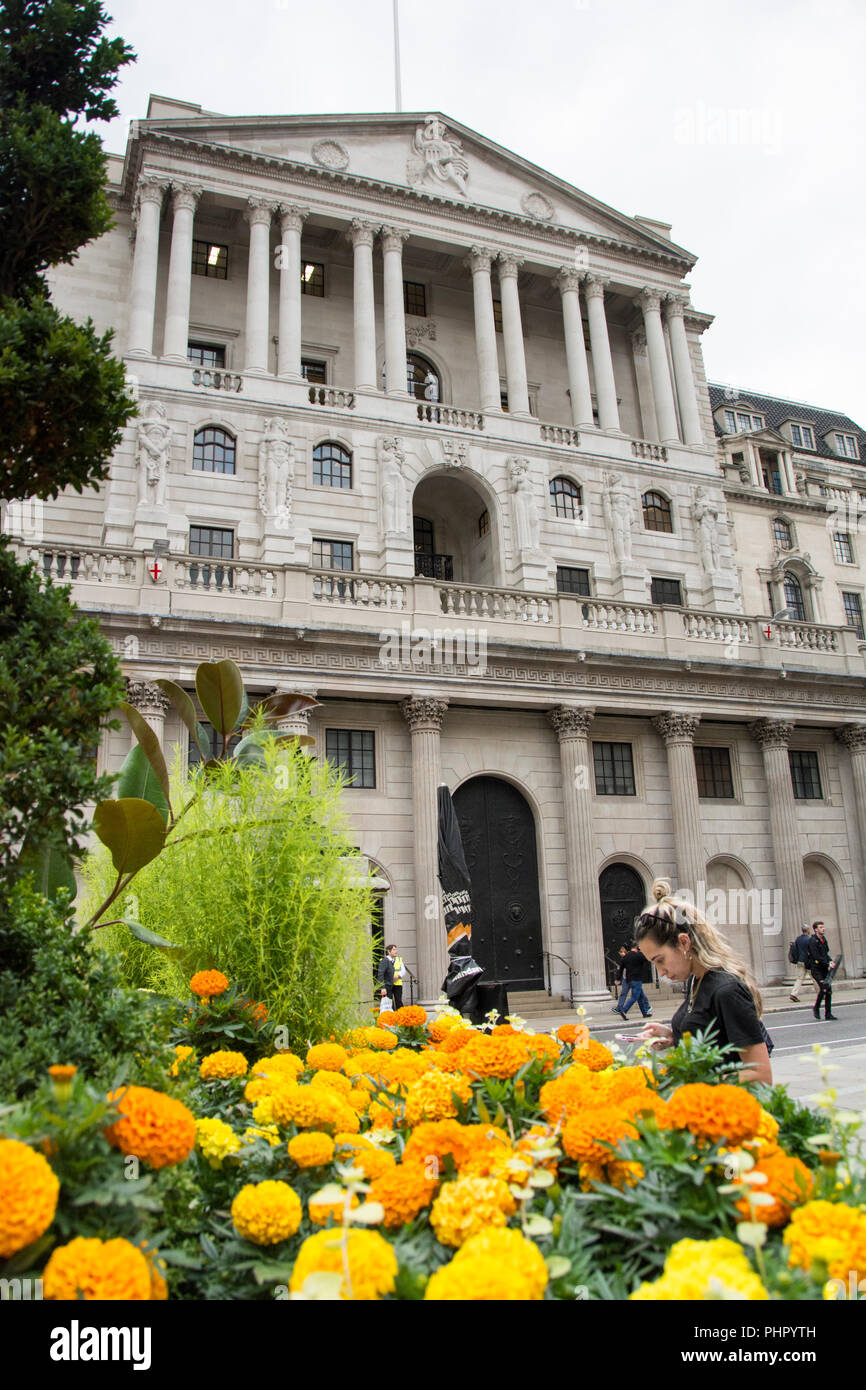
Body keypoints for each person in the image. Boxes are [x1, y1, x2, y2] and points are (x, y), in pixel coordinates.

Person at [631, 881, 772, 1086]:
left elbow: (760, 1076)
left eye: (660, 960)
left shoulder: (726, 989)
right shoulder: (698, 981)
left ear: (684, 943)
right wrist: (674, 1037)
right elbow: (715, 1036)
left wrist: (686, 1080)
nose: (660, 972)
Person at [806, 922, 837, 1021]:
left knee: (828, 991)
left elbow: (825, 954)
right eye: (821, 927)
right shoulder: (813, 941)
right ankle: (816, 1008)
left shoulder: (824, 940)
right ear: (816, 929)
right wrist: (827, 963)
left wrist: (830, 961)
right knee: (824, 987)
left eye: (823, 927)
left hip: (824, 969)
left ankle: (828, 1014)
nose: (823, 929)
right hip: (816, 969)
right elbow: (816, 956)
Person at [616, 943, 654, 1019]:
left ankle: (645, 1013)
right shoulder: (639, 955)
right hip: (637, 979)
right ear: (637, 948)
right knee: (634, 996)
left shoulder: (625, 957)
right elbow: (648, 959)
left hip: (629, 979)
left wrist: (618, 979)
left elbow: (621, 969)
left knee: (640, 996)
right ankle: (624, 1010)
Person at [789, 922, 814, 1003]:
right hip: (808, 962)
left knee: (799, 978)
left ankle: (794, 994)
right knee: (814, 978)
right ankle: (821, 993)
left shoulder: (798, 939)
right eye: (809, 929)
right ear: (807, 930)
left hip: (799, 961)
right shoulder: (809, 939)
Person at [377, 943, 397, 1008]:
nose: (396, 951)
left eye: (396, 949)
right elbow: (380, 974)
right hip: (386, 988)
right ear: (388, 951)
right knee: (385, 1007)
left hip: (389, 988)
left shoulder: (391, 961)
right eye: (394, 950)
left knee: (389, 1007)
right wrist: (382, 987)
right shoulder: (385, 961)